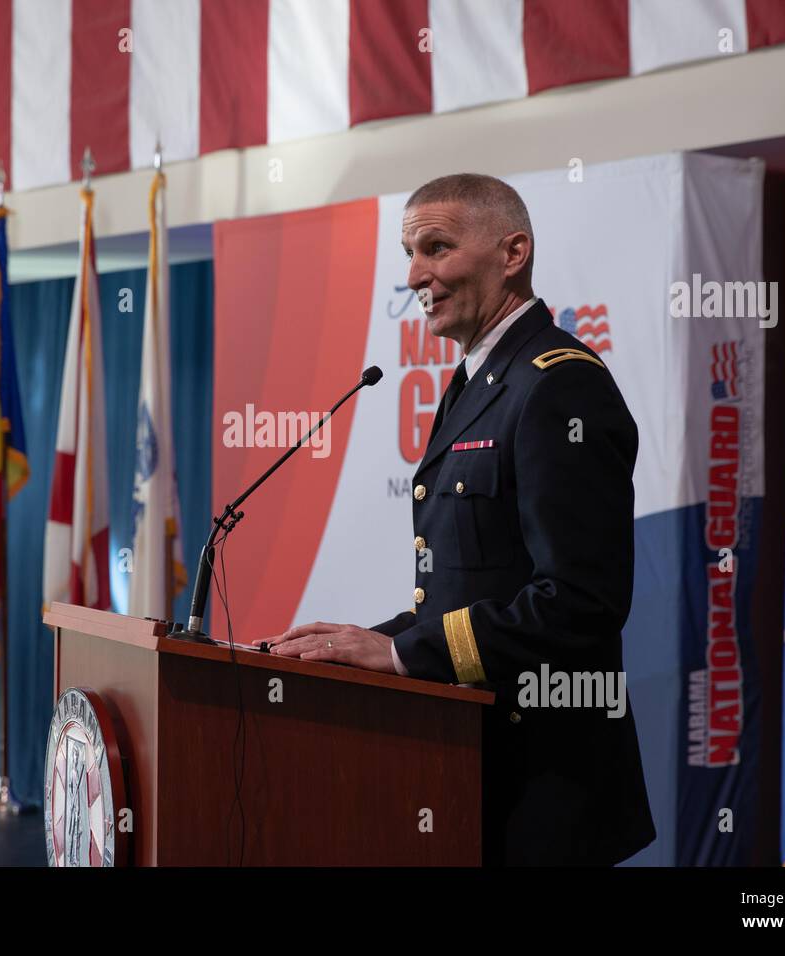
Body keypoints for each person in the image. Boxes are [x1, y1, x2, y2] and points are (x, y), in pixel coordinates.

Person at [262, 174, 656, 866]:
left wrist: (400, 654)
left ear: (513, 252)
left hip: (542, 784)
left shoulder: (557, 381)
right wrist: (361, 640)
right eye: (410, 252)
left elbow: (580, 602)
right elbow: (471, 590)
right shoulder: (483, 377)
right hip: (469, 768)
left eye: (437, 248)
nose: (416, 275)